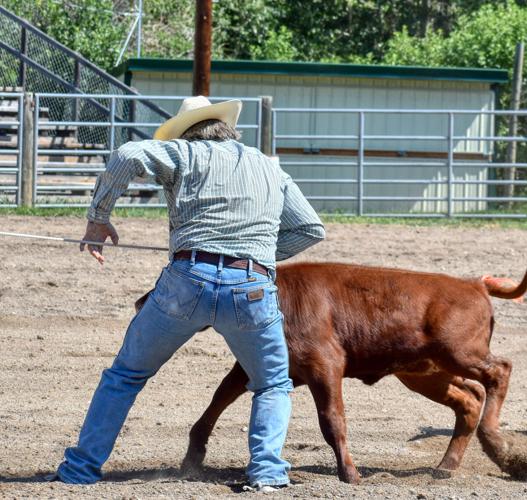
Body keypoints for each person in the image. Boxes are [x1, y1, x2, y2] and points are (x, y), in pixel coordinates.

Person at [52, 96, 325, 491]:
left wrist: (98, 219)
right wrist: (257, 253)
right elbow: (311, 229)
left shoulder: (185, 153)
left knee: (125, 375)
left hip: (186, 280)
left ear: (188, 133)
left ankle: (80, 470)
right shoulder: (270, 166)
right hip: (251, 287)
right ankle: (267, 474)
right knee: (272, 384)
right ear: (226, 128)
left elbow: (127, 154)